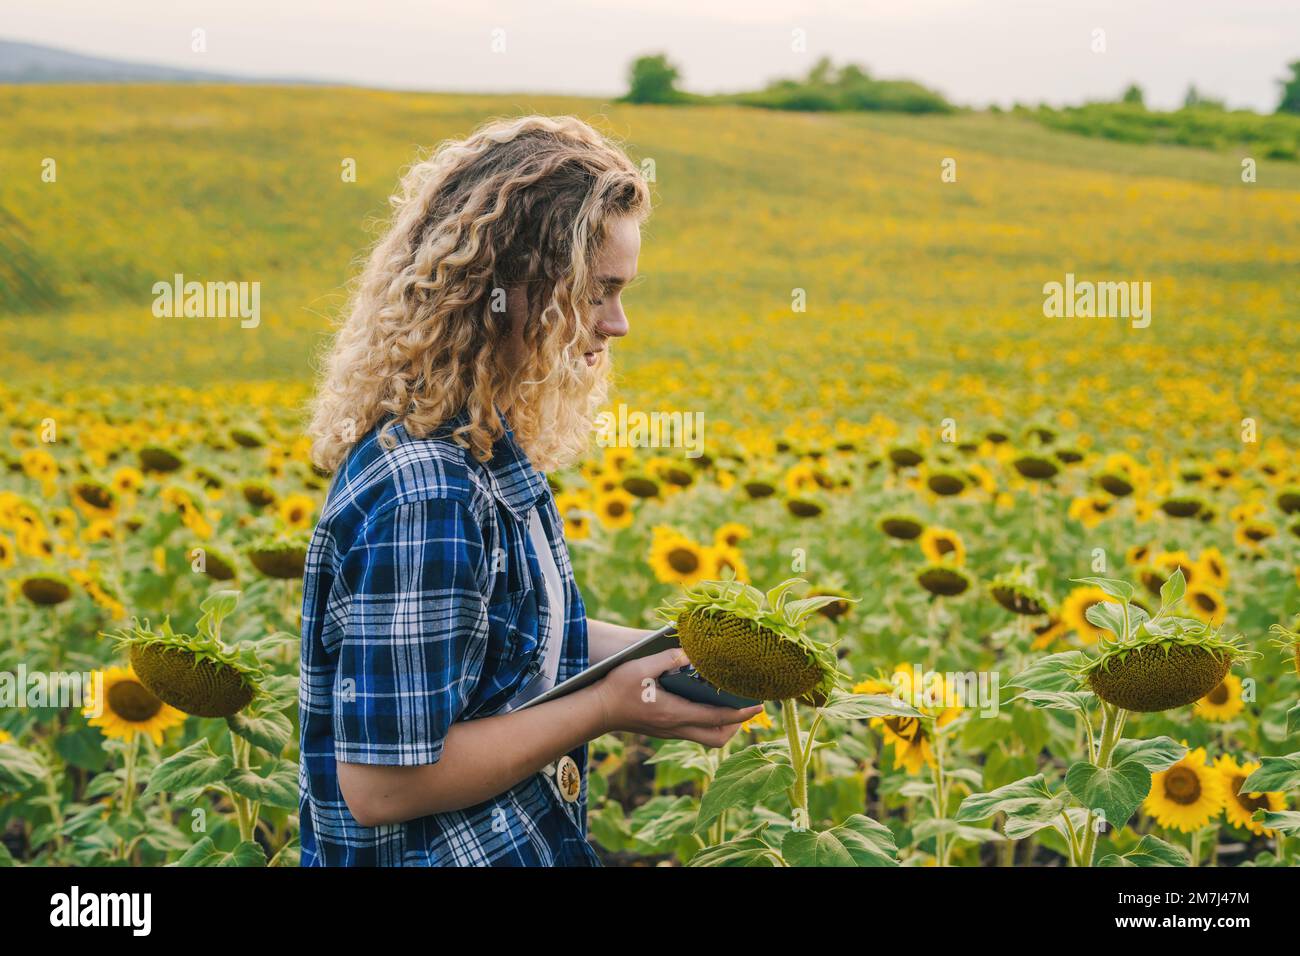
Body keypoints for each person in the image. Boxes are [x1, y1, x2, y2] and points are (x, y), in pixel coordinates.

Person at [299, 115, 762, 866]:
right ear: (507, 291)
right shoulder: (429, 494)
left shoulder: (482, 448)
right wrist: (609, 706)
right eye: (597, 293)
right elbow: (385, 786)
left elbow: (518, 645)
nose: (619, 324)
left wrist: (686, 651)